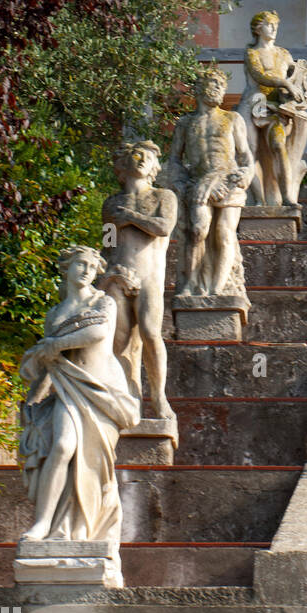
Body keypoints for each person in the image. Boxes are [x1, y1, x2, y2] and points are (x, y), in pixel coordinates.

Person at [19, 245, 139, 550]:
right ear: (66, 268)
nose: (85, 271)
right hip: (68, 391)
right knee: (61, 447)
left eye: (90, 266)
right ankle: (43, 523)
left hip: (102, 392)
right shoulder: (55, 314)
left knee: (93, 463)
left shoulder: (104, 302)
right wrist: (33, 400)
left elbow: (97, 334)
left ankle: (83, 526)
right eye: (79, 264)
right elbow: (49, 366)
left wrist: (54, 344)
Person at [101, 139, 177, 418]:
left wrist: (130, 217)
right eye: (136, 154)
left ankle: (158, 397)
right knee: (116, 340)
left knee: (150, 332)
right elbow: (108, 242)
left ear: (155, 166)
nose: (142, 160)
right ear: (123, 164)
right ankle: (125, 396)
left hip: (148, 278)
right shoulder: (111, 203)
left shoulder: (163, 197)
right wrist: (104, 272)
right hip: (120, 276)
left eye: (147, 157)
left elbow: (163, 226)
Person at [166, 68, 254, 295]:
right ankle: (191, 284)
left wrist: (245, 175)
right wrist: (180, 182)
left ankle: (218, 288)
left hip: (228, 181)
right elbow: (174, 159)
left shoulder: (232, 119)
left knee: (225, 233)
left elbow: (246, 158)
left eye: (221, 86)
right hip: (199, 183)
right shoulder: (185, 124)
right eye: (213, 83)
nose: (218, 90)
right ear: (198, 88)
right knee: (197, 231)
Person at [237, 11, 307, 208]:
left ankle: (287, 197)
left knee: (279, 147)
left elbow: (297, 76)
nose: (274, 29)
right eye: (269, 24)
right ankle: (258, 200)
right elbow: (259, 75)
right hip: (254, 102)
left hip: (277, 107)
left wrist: (303, 85)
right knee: (249, 152)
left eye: (276, 25)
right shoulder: (251, 53)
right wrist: (285, 84)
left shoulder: (283, 54)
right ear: (257, 28)